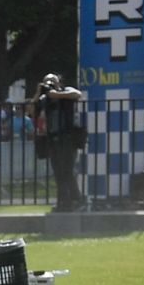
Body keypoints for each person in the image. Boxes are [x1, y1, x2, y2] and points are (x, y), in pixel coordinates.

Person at [36, 73, 85, 212]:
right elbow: (33, 108)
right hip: (53, 139)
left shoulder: (66, 92)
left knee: (67, 170)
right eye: (47, 82)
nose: (50, 85)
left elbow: (77, 94)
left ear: (59, 83)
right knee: (58, 173)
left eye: (53, 82)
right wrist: (39, 92)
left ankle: (77, 199)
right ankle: (63, 202)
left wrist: (56, 94)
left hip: (67, 138)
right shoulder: (45, 98)